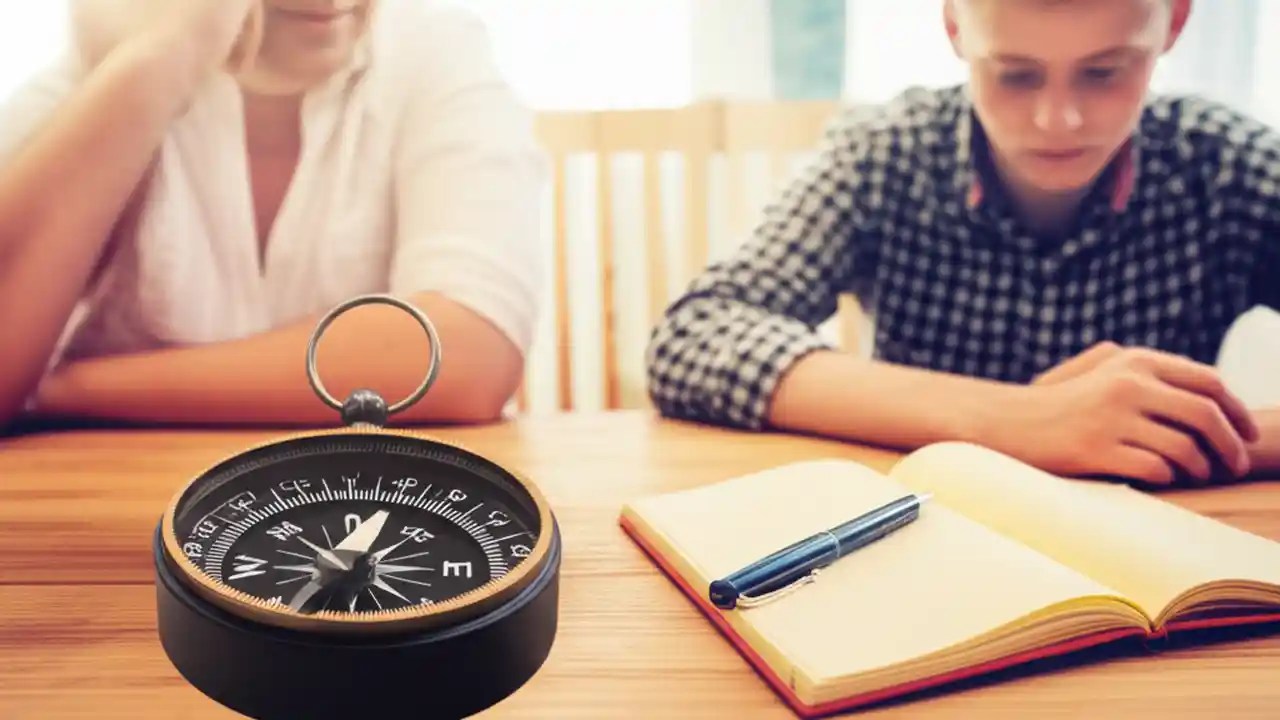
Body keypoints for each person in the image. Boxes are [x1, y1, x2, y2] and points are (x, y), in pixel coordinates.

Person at [647, 0, 1280, 486]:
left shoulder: (1230, 169)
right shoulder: (887, 152)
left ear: (1173, 20)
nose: (1057, 119)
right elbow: (696, 334)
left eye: (1105, 72)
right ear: (955, 25)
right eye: (1015, 75)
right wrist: (1018, 423)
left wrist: (1196, 442)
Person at [0, 0, 544, 431]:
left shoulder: (434, 49)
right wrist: (155, 63)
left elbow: (469, 353)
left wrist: (62, 389)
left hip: (371, 505)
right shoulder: (106, 58)